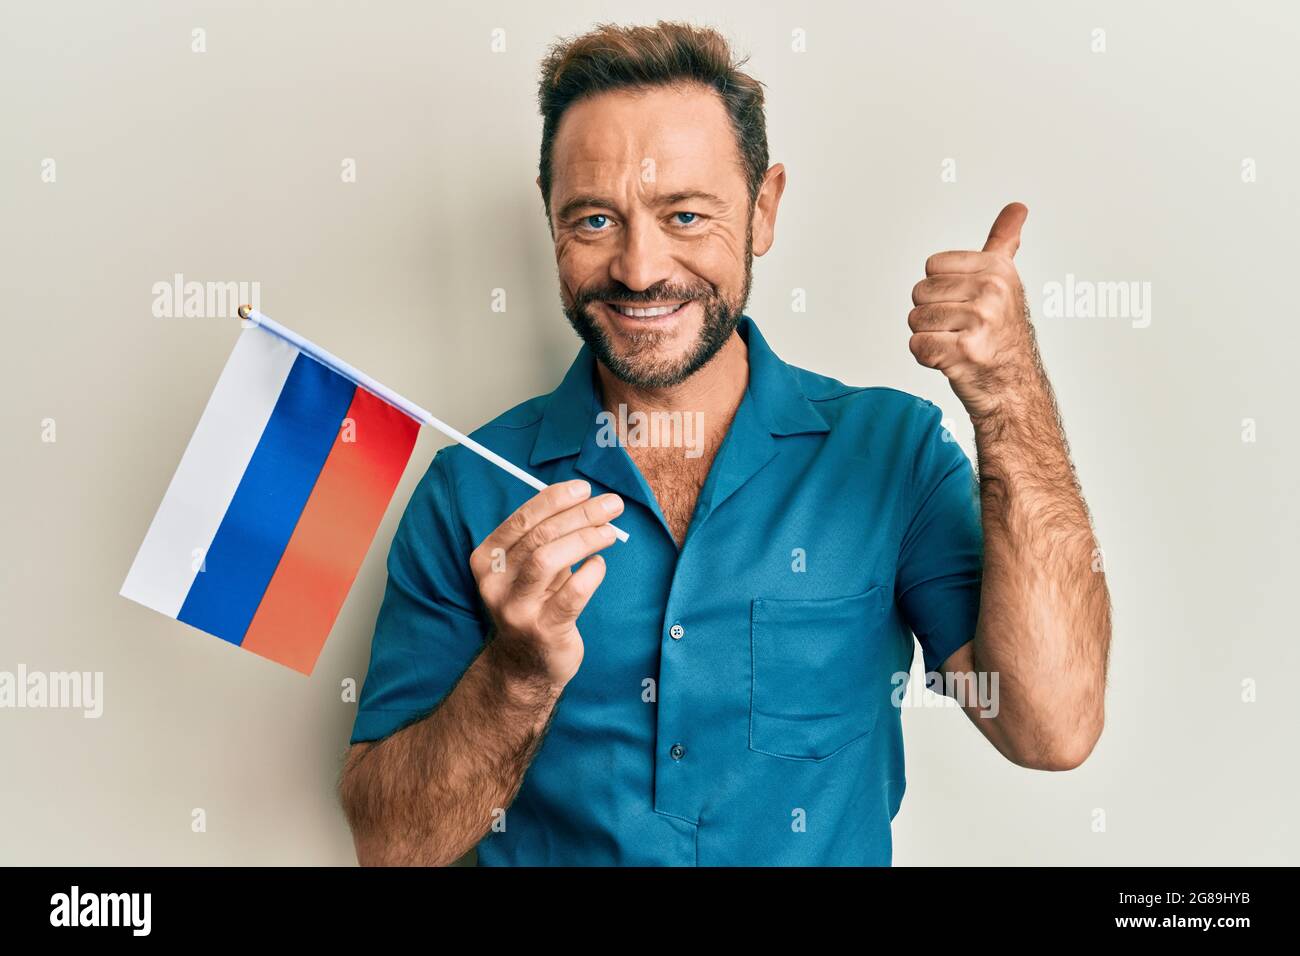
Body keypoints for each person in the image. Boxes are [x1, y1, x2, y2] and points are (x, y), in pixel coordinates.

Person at [338, 20, 1111, 866]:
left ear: (764, 208)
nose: (639, 268)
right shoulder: (469, 490)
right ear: (548, 215)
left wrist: (1011, 399)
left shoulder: (894, 454)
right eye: (595, 220)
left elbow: (1052, 727)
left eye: (685, 214)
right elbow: (393, 846)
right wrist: (518, 674)